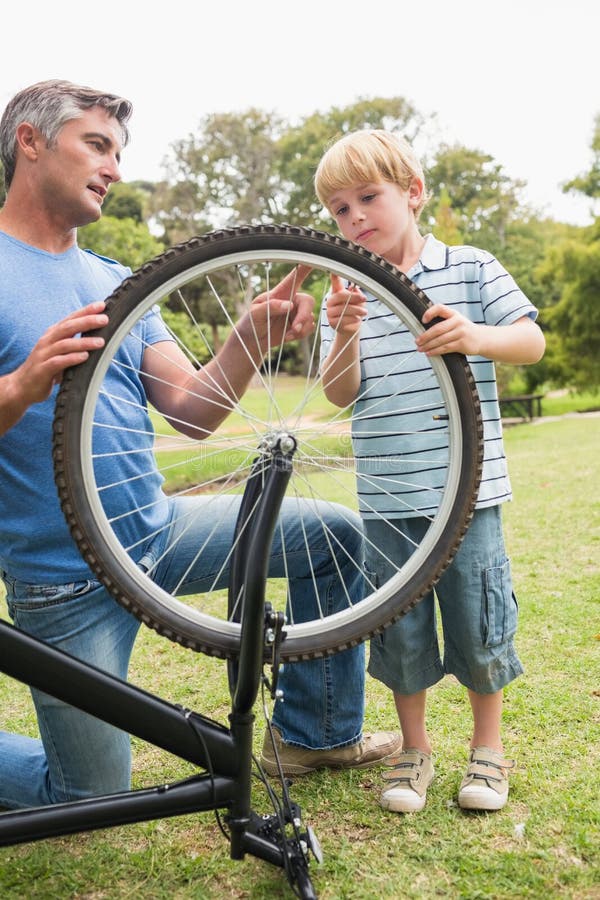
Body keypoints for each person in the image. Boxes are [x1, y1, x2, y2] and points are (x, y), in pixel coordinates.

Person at [0, 82, 400, 809]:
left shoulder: (116, 281)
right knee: (92, 794)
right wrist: (24, 384)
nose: (114, 168)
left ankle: (316, 734)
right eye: (97, 145)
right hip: (63, 582)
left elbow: (192, 410)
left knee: (335, 536)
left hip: (156, 537)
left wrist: (250, 334)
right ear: (30, 141)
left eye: (118, 152)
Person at [314, 129, 545, 813]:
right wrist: (345, 331)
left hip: (469, 492)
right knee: (400, 628)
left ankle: (488, 749)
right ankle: (413, 750)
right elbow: (338, 392)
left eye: (368, 197)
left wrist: (474, 335)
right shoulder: (348, 291)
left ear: (413, 193)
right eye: (339, 209)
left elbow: (530, 340)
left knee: (478, 618)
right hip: (388, 496)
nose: (355, 217)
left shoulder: (470, 268)